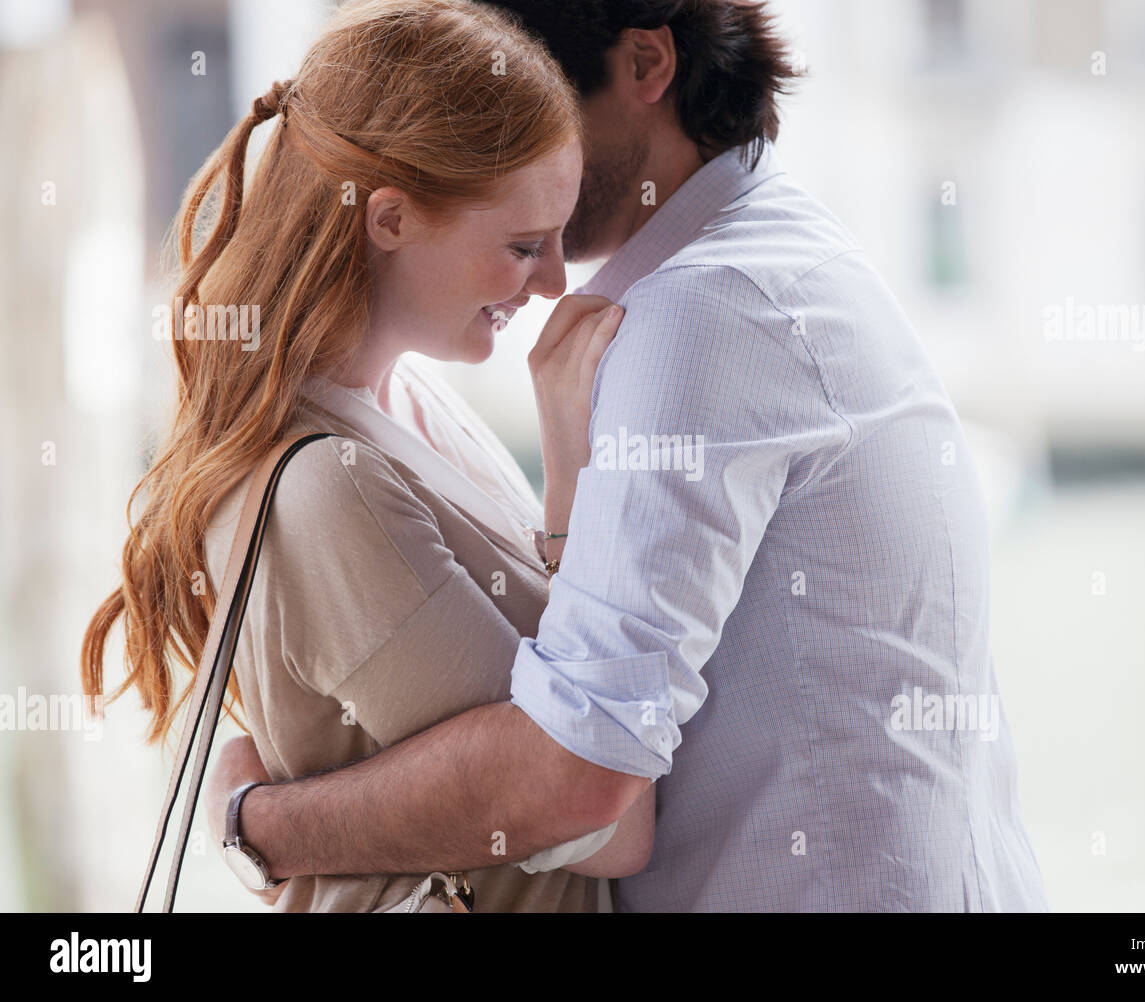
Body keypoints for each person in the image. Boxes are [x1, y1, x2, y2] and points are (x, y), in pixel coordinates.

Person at [210, 0, 1050, 912]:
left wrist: (261, 825)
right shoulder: (772, 252)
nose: (514, 136)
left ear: (646, 64)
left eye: (531, 95)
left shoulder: (695, 313)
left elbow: (578, 781)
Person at [81, 0, 650, 912]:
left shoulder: (418, 406)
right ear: (388, 219)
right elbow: (609, 823)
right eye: (521, 246)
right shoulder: (331, 488)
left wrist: (263, 819)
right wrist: (574, 483)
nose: (552, 283)